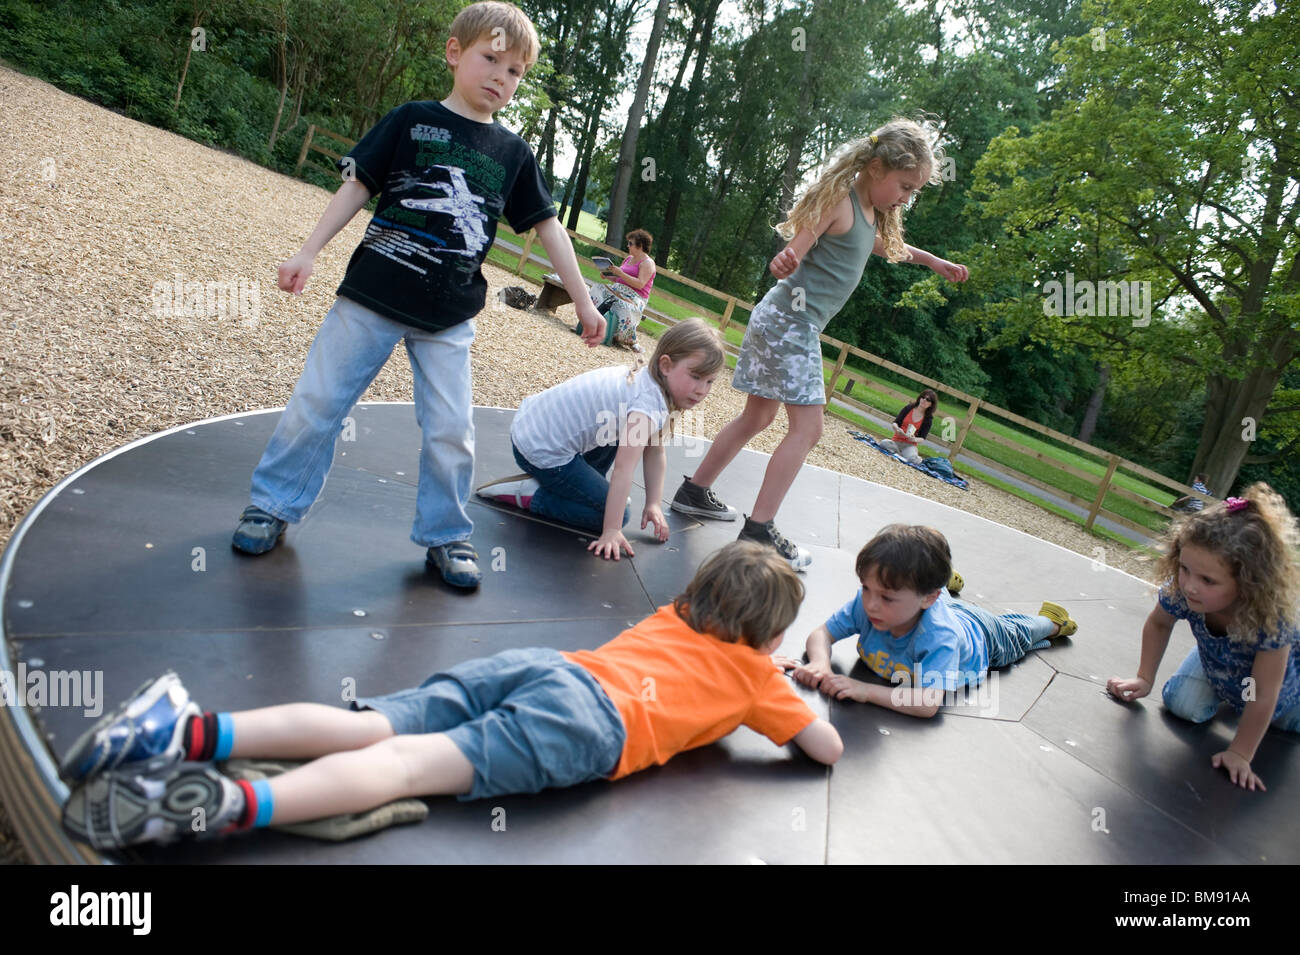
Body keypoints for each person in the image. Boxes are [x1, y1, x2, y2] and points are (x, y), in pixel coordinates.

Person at [59, 542, 844, 850]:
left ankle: (187, 730)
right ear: (768, 635)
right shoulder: (756, 677)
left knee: (365, 719)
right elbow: (824, 747)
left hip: (546, 667)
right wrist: (783, 678)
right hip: (588, 724)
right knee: (405, 765)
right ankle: (231, 805)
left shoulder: (672, 614)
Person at [228, 1, 607, 590]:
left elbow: (548, 226)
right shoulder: (412, 119)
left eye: (515, 72)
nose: (501, 79)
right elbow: (358, 185)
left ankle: (446, 534)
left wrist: (584, 301)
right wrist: (309, 251)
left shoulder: (512, 153)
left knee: (452, 430)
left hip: (449, 316)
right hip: (371, 296)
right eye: (491, 60)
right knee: (318, 404)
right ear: (455, 53)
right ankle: (272, 505)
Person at [669, 119, 969, 570]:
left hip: (780, 322)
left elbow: (890, 249)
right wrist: (786, 258)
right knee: (808, 430)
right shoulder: (839, 201)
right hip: (791, 321)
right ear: (874, 166)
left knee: (758, 416)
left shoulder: (874, 216)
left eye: (914, 191)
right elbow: (798, 246)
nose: (907, 196)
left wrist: (932, 261)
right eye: (905, 185)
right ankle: (759, 530)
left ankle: (693, 492)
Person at [477, 318, 725, 559]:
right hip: (541, 449)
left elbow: (655, 450)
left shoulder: (649, 381)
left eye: (710, 381)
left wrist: (653, 503)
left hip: (535, 427)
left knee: (621, 436)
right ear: (666, 365)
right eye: (695, 376)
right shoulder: (647, 406)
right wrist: (612, 530)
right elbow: (623, 470)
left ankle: (580, 486)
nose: (702, 390)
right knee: (616, 514)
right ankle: (530, 495)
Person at [1107, 484, 1300, 791]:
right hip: (1218, 666)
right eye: (1184, 569)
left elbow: (1264, 693)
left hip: (1280, 692)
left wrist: (1240, 752)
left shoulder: (1272, 620)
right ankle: (1230, 700)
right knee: (1180, 704)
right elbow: (1159, 624)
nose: (1190, 586)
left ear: (1248, 582)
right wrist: (1144, 678)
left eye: (1207, 580)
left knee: (1286, 724)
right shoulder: (1185, 591)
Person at [777, 525, 1076, 717]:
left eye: (887, 597)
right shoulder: (871, 602)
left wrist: (865, 690)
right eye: (866, 588)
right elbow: (822, 634)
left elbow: (926, 703)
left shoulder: (939, 637)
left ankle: (1051, 622)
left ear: (926, 598)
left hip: (985, 635)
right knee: (922, 587)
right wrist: (820, 664)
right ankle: (946, 581)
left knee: (1019, 633)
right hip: (938, 601)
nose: (871, 603)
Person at [586, 228, 657, 351]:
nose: (628, 246)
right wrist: (609, 275)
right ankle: (589, 323)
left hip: (635, 297)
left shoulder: (648, 263)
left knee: (623, 305)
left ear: (640, 245)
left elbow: (640, 284)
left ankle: (626, 338)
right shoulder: (629, 258)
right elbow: (620, 279)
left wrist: (620, 273)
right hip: (618, 289)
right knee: (596, 289)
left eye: (630, 243)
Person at [878, 388, 938, 463]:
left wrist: (914, 439)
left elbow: (922, 438)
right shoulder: (908, 408)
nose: (924, 400)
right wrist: (897, 429)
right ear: (920, 398)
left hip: (910, 445)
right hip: (896, 441)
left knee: (914, 460)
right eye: (923, 397)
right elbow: (895, 422)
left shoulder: (928, 419)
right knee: (884, 443)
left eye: (928, 400)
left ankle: (899, 455)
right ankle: (901, 455)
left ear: (931, 404)